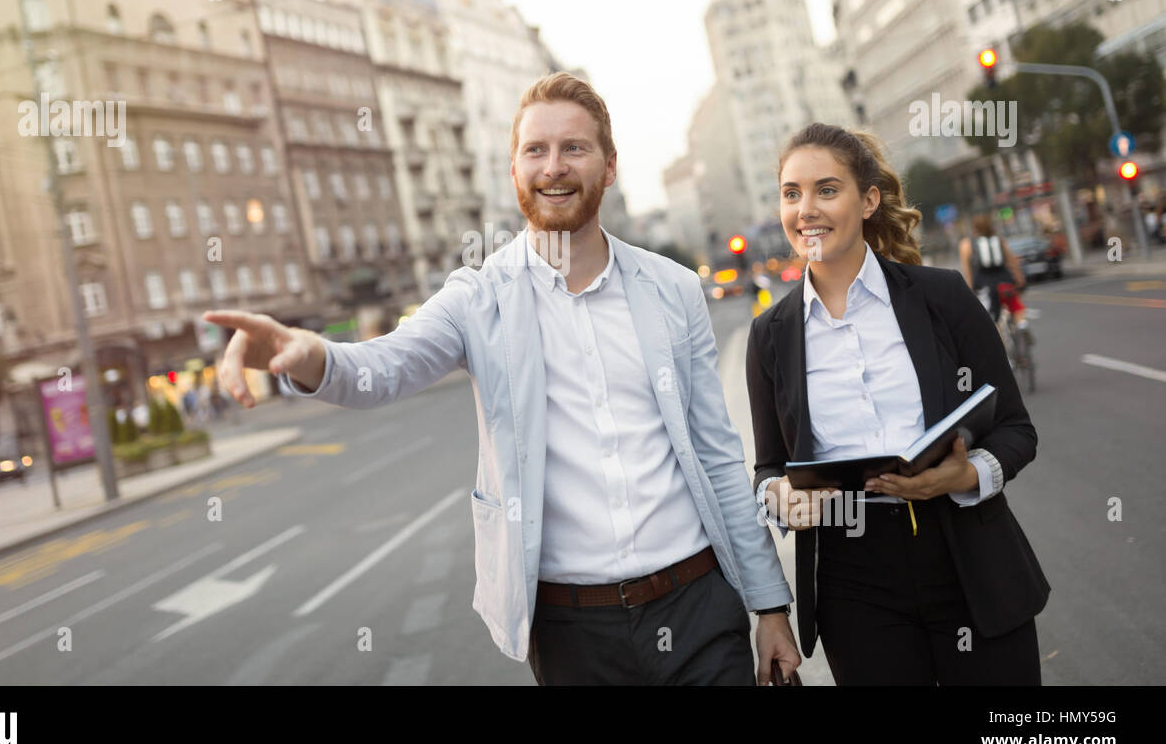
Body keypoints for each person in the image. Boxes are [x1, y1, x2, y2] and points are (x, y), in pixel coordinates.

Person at [207, 72, 800, 685]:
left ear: (610, 164)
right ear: (514, 170)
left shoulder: (673, 289)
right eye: (535, 151)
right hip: (573, 633)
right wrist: (308, 354)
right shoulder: (478, 297)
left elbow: (719, 456)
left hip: (698, 604)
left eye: (574, 148)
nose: (554, 167)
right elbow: (380, 370)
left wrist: (770, 605)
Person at [745, 123, 1049, 685]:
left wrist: (966, 474)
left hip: (968, 559)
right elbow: (768, 464)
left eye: (826, 190)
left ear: (868, 200)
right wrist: (781, 496)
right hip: (853, 583)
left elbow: (1014, 428)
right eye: (792, 193)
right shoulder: (770, 334)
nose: (806, 209)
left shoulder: (942, 296)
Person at [959, 214, 1027, 329]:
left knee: (991, 320)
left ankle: (1000, 342)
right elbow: (1012, 261)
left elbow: (968, 271)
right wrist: (1020, 278)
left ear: (974, 227)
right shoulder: (999, 239)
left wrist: (970, 291)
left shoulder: (967, 244)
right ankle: (1022, 325)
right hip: (1005, 281)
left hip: (985, 285)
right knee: (1015, 306)